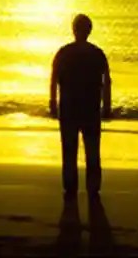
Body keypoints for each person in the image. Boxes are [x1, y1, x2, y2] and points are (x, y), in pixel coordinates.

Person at [49, 13, 111, 197]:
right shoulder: (97, 53)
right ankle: (93, 188)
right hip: (90, 109)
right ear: (89, 30)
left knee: (69, 150)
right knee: (92, 151)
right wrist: (106, 106)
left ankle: (70, 187)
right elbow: (107, 82)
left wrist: (53, 103)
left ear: (74, 30)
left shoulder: (64, 52)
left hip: (69, 108)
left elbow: (53, 79)